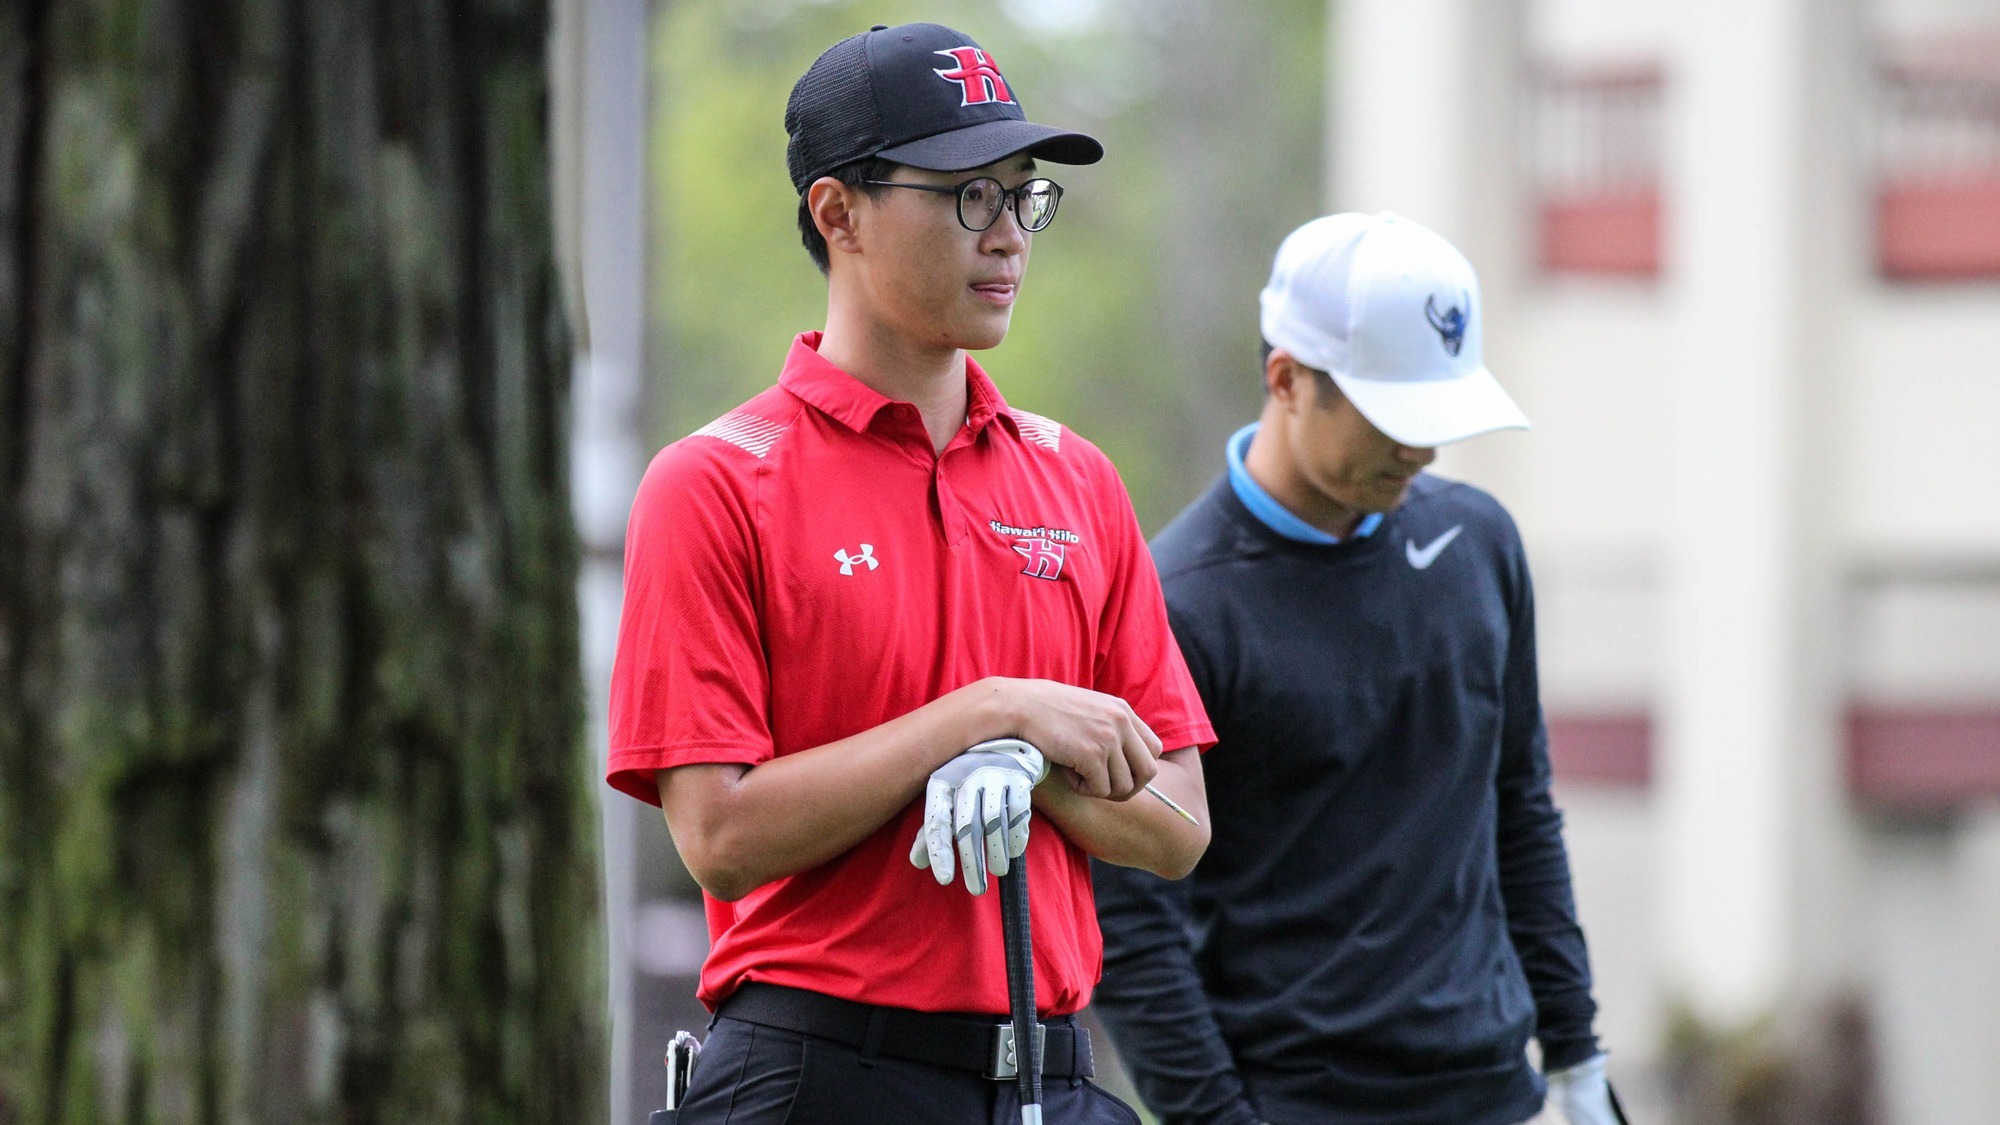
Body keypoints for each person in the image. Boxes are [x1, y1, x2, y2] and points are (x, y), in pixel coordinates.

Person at [606, 23, 1214, 1125]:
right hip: (818, 1074)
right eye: (966, 196)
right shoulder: (711, 483)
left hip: (1054, 1082)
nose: (1009, 236)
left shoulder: (1075, 480)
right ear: (838, 213)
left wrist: (1032, 770)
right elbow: (719, 838)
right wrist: (985, 712)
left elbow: (1177, 822)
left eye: (1022, 197)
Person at [1089, 213, 1627, 1125]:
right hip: (1298, 1105)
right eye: (1395, 416)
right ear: (1288, 379)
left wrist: (1576, 1059)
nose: (1422, 449)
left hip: (1500, 1094)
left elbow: (1519, 805)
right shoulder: (1176, 604)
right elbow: (1130, 917)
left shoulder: (1478, 542)